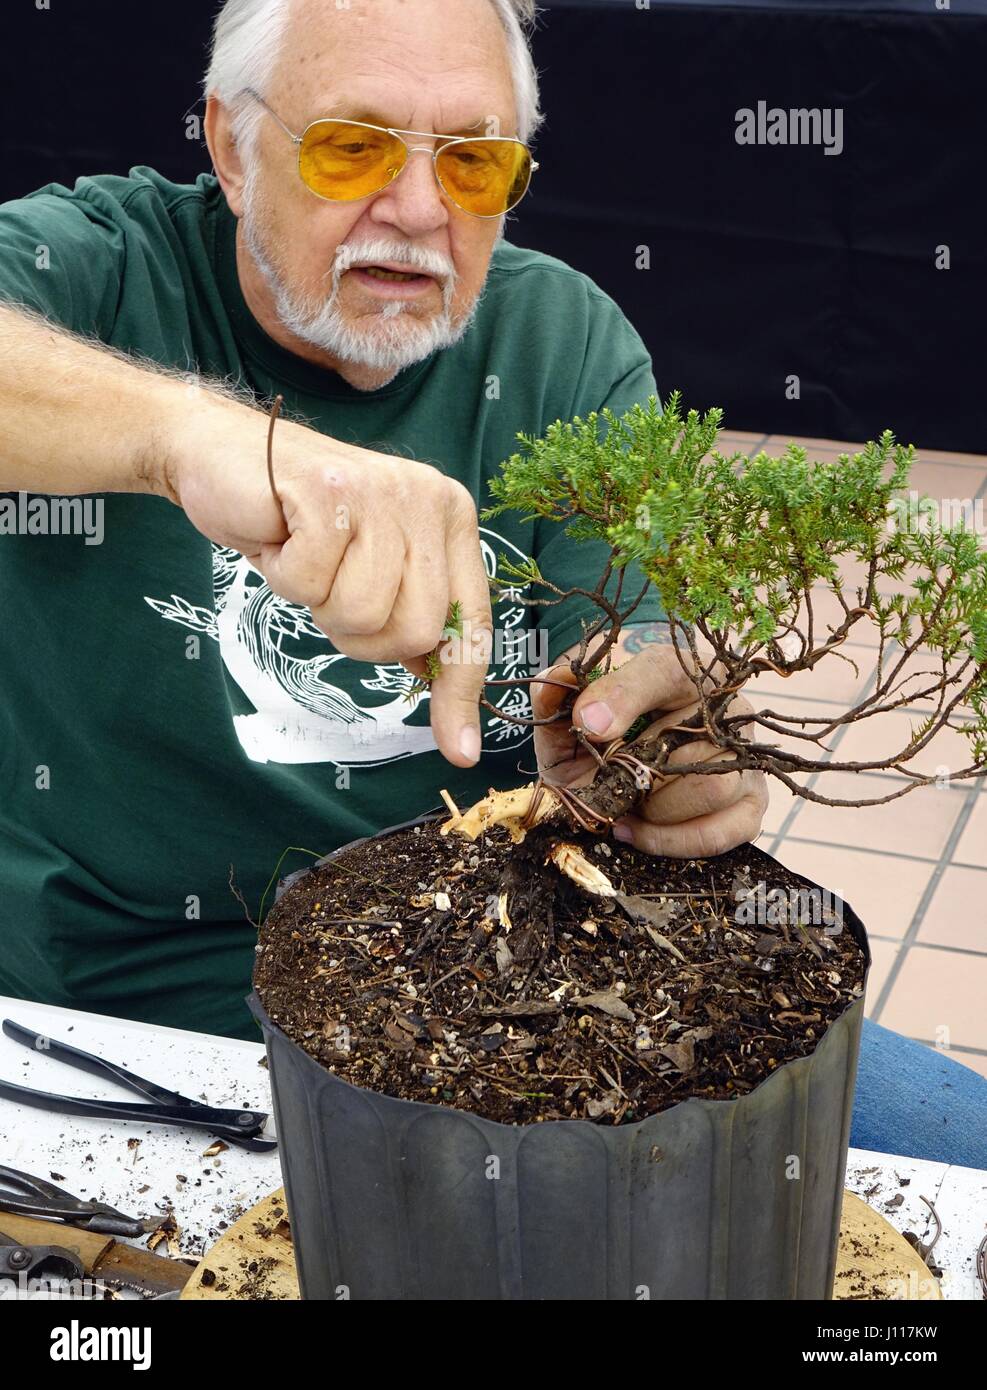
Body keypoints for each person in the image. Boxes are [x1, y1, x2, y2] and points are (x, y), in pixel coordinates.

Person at [0, 0, 982, 1167]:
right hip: (137, 1016)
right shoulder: (94, 272)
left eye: (473, 161)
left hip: (497, 971)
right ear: (227, 144)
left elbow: (630, 644)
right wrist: (193, 437)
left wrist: (655, 739)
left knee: (950, 1151)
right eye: (351, 146)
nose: (419, 211)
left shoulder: (560, 336)